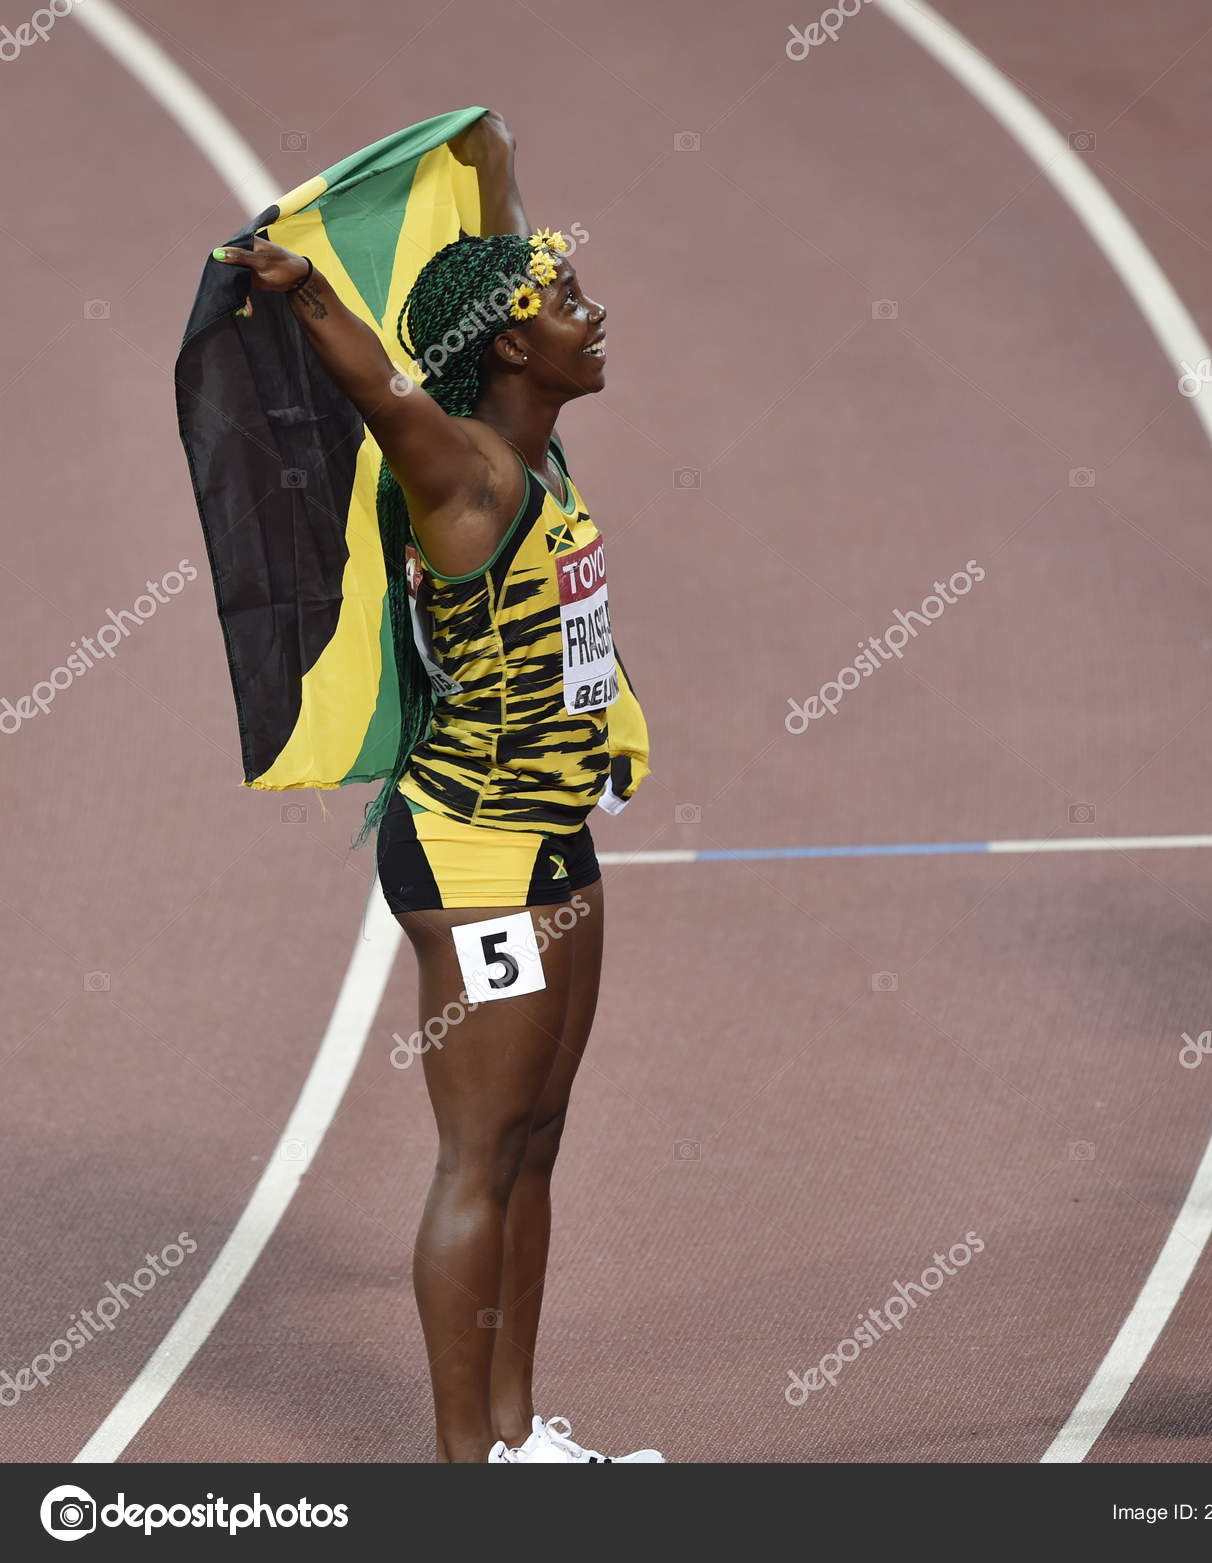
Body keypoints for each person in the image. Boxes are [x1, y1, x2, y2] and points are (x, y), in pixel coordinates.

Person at [215, 112, 662, 1465]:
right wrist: (305, 292)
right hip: (472, 850)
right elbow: (381, 393)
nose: (596, 315)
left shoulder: (538, 442)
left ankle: (521, 1440)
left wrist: (490, 161)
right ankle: (466, 1472)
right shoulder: (461, 472)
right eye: (566, 303)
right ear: (516, 346)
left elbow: (493, 264)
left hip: (556, 837)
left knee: (536, 1140)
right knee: (480, 1151)